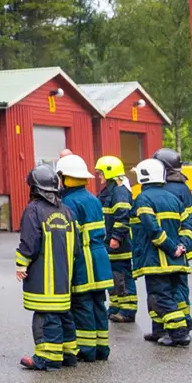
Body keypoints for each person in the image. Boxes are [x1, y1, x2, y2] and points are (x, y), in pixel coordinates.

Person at [16, 165, 76, 370]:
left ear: (34, 188)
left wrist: (21, 264)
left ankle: (47, 357)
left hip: (42, 277)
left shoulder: (33, 210)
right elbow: (75, 246)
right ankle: (68, 354)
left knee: (45, 316)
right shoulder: (66, 211)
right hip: (64, 277)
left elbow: (29, 243)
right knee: (63, 314)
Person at [57, 155, 113, 362]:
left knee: (82, 305)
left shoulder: (68, 202)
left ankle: (86, 350)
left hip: (83, 260)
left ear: (64, 178)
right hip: (99, 258)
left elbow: (70, 238)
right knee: (98, 303)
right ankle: (101, 348)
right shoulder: (92, 198)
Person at [130, 158, 190, 346]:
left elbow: (152, 229)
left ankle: (179, 333)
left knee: (160, 297)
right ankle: (160, 330)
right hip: (177, 259)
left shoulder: (143, 198)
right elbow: (187, 227)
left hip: (155, 259)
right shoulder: (173, 198)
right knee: (169, 295)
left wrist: (172, 248)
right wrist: (181, 246)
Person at [153, 148, 192, 331]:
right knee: (180, 285)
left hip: (166, 245)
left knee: (166, 287)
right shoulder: (183, 186)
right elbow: (189, 218)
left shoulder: (163, 188)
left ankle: (174, 326)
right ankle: (185, 320)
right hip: (183, 243)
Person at [95, 156, 137, 323]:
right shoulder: (109, 190)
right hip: (110, 242)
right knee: (113, 276)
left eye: (100, 173)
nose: (99, 176)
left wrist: (117, 237)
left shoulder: (119, 191)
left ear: (109, 172)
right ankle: (115, 306)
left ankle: (128, 310)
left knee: (123, 276)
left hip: (120, 244)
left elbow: (123, 216)